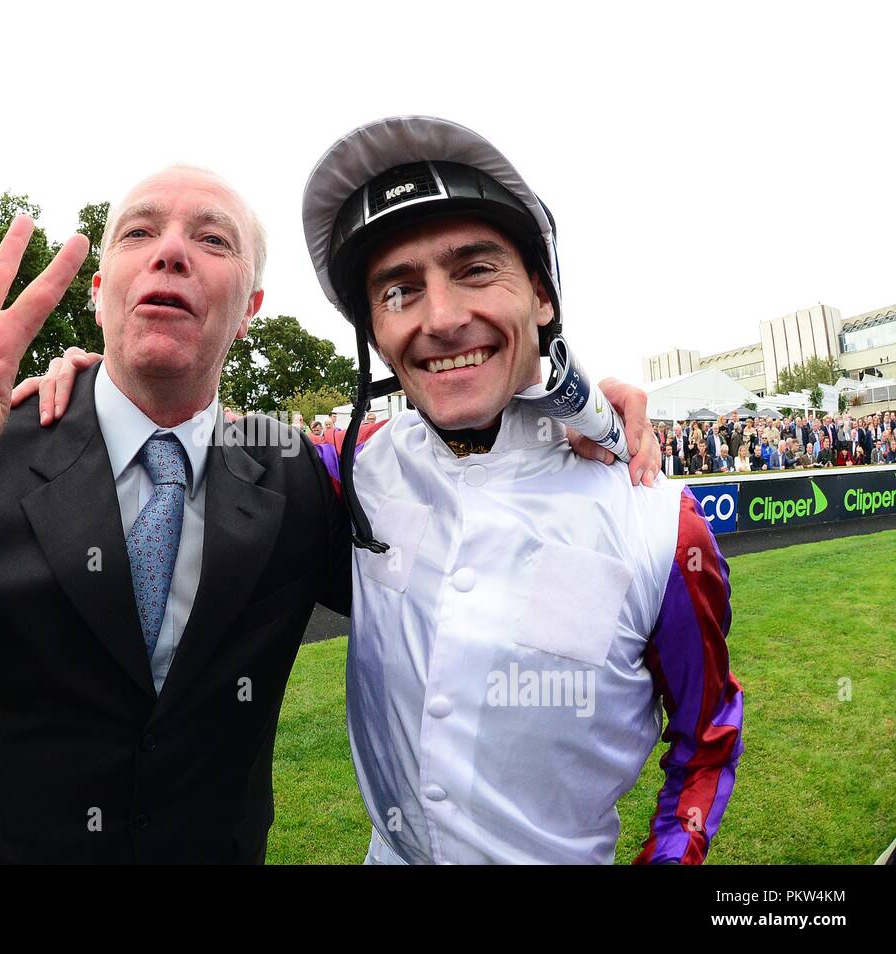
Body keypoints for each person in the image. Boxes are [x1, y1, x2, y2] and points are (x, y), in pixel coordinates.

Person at [0, 163, 658, 864]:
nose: (171, 253)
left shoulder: (304, 483)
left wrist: (555, 415)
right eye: (140, 233)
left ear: (249, 311)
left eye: (212, 239)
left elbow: (455, 569)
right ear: (98, 291)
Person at [296, 115, 740, 864]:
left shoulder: (661, 522)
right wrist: (78, 394)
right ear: (374, 332)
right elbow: (196, 438)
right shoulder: (353, 465)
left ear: (541, 295)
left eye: (475, 270)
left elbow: (707, 742)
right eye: (399, 291)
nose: (440, 318)